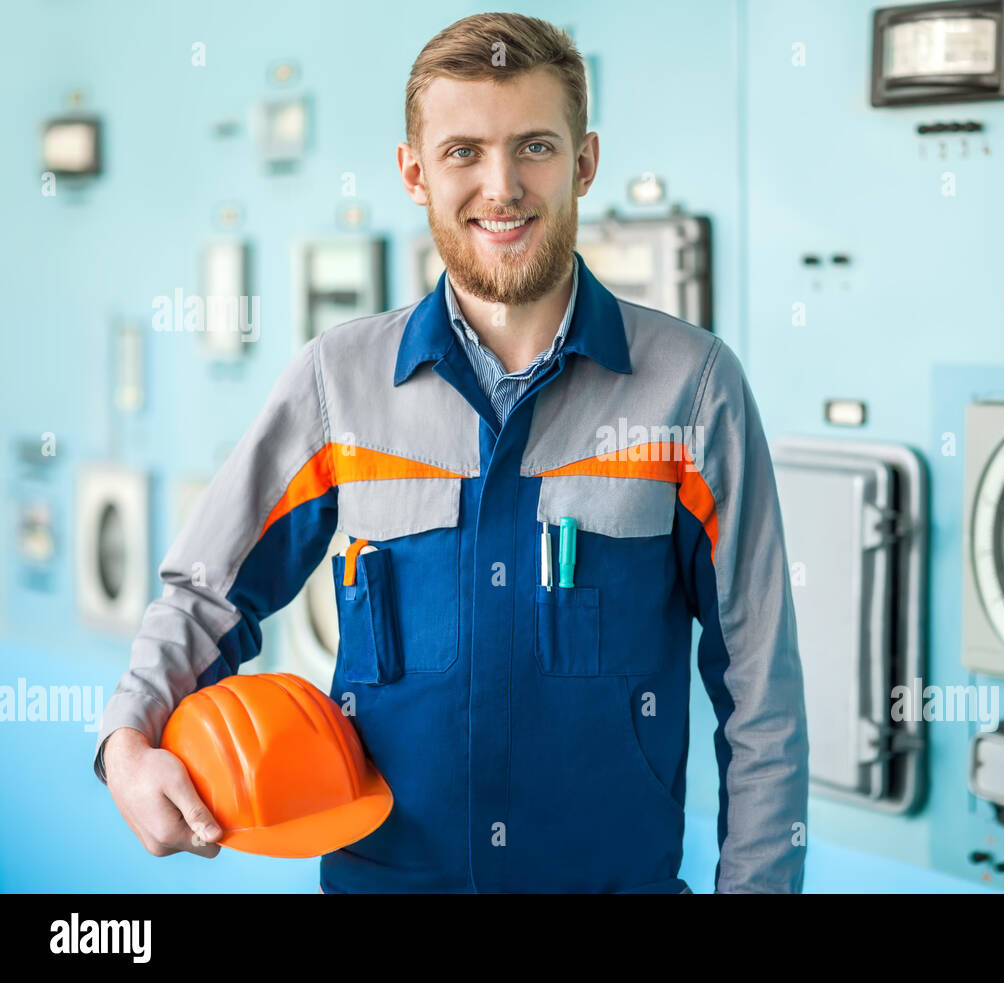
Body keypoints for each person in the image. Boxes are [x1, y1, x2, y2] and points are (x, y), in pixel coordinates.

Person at [96, 11, 809, 894]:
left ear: (585, 160)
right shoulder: (338, 386)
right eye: (464, 151)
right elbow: (206, 594)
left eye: (535, 148)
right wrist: (126, 742)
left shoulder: (693, 389)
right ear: (414, 172)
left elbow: (761, 694)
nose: (501, 187)